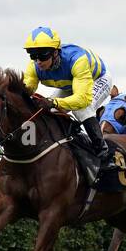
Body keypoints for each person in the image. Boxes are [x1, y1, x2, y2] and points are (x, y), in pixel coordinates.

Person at [21, 25, 113, 185]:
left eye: (42, 55)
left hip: (98, 79)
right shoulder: (34, 67)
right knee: (48, 111)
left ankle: (103, 155)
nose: (38, 61)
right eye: (33, 55)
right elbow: (26, 91)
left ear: (55, 52)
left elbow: (82, 99)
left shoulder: (77, 59)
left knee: (82, 109)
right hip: (69, 85)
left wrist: (53, 102)